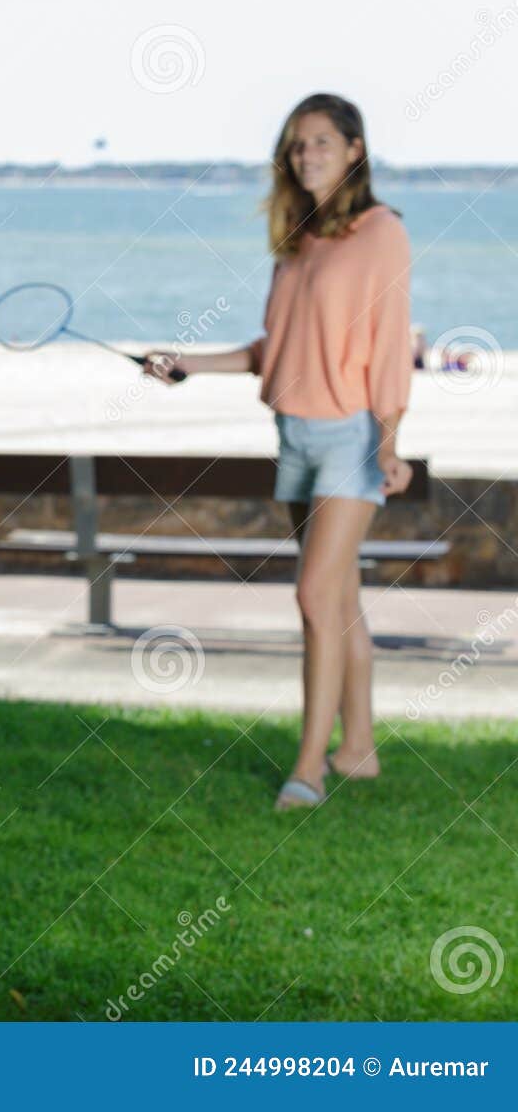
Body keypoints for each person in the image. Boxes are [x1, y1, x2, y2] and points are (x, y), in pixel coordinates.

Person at [144, 93, 413, 811]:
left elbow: (389, 343)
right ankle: (358, 749)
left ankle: (309, 769)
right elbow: (277, 349)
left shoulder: (381, 230)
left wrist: (391, 439)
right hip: (292, 435)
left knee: (314, 595)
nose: (308, 154)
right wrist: (188, 365)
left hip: (351, 438)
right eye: (297, 144)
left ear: (355, 149)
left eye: (322, 141)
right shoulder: (299, 236)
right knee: (338, 603)